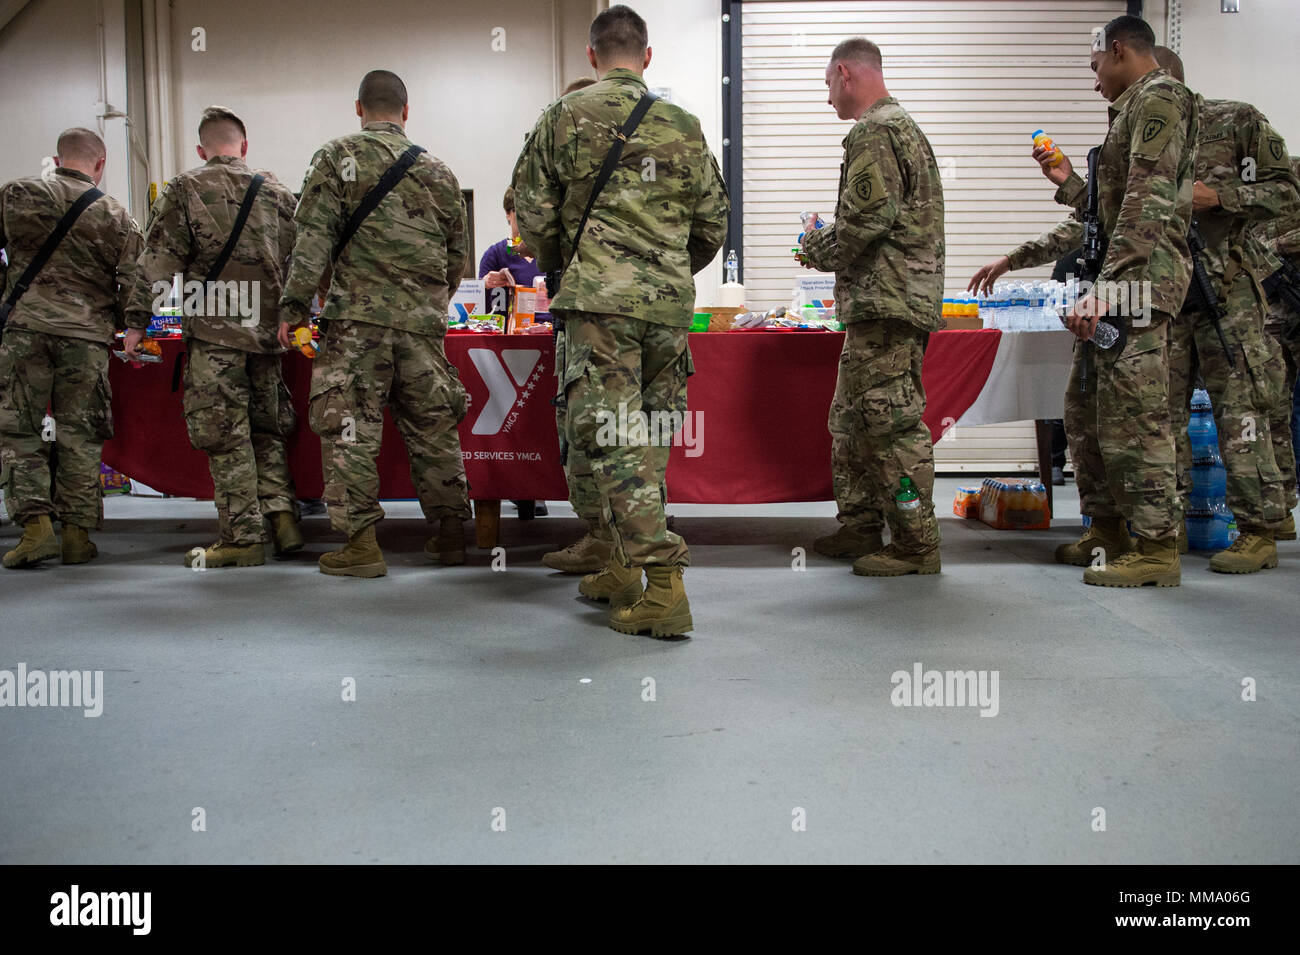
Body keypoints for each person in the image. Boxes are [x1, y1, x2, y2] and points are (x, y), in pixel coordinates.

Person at [513, 5, 729, 636]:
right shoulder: (685, 124)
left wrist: (573, 264)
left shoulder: (562, 116)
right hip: (666, 307)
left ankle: (663, 586)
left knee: (612, 439)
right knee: (651, 438)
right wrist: (665, 266)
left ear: (591, 56)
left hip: (600, 304)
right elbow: (713, 223)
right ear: (647, 56)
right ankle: (617, 562)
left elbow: (532, 214)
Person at [968, 15, 1197, 587]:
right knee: (1085, 413)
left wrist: (1105, 288)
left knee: (1135, 420)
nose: (1093, 80)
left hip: (1138, 289)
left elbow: (1146, 208)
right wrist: (1013, 258)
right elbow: (1098, 218)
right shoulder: (1126, 115)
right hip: (1111, 287)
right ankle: (1109, 529)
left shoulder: (1161, 100)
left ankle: (1156, 549)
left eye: (1095, 67)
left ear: (1119, 50)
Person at [279, 69, 471, 578]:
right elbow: (457, 257)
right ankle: (452, 535)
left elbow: (312, 239)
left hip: (357, 322)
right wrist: (429, 304)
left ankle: (361, 545)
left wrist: (296, 307)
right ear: (406, 112)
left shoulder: (336, 157)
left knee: (349, 430)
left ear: (358, 108)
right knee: (433, 428)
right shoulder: (441, 172)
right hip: (422, 326)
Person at [124, 106, 303, 568]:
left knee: (226, 435)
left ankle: (243, 538)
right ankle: (283, 522)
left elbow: (158, 261)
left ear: (201, 150)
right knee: (267, 428)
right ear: (244, 147)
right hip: (269, 335)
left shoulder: (186, 187)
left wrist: (136, 322)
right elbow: (305, 263)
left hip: (216, 334)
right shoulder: (280, 194)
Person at [1143, 47, 1299, 572]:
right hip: (1168, 300)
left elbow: (1286, 191)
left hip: (1227, 297)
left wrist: (1221, 197)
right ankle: (1170, 529)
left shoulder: (1236, 121)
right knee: (1163, 418)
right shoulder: (1143, 139)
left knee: (1242, 415)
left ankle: (1258, 531)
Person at [804, 37, 946, 577]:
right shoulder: (898, 127)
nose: (828, 99)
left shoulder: (876, 130)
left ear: (845, 73)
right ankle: (861, 523)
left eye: (827, 86)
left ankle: (915, 543)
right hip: (882, 303)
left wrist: (815, 246)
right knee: (852, 419)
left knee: (890, 425)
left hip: (889, 303)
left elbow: (865, 221)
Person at [0, 128, 142, 569]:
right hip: (86, 338)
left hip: (25, 331)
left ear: (57, 158)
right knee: (79, 436)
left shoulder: (16, 195)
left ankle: (36, 528)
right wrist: (131, 325)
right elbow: (137, 276)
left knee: (20, 431)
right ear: (100, 163)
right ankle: (78, 536)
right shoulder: (116, 214)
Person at [479, 186, 550, 519]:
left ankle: (541, 485)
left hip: (548, 338)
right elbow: (479, 304)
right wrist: (489, 284)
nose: (526, 220)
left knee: (542, 416)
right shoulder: (496, 253)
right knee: (515, 419)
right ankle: (522, 489)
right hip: (511, 343)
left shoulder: (550, 252)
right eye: (519, 213)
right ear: (508, 215)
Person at [1251, 153, 1300, 541]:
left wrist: (1276, 248)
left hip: (1294, 301)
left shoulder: (1292, 173)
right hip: (1267, 317)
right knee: (1273, 408)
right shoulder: (1229, 188)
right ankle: (1281, 505)